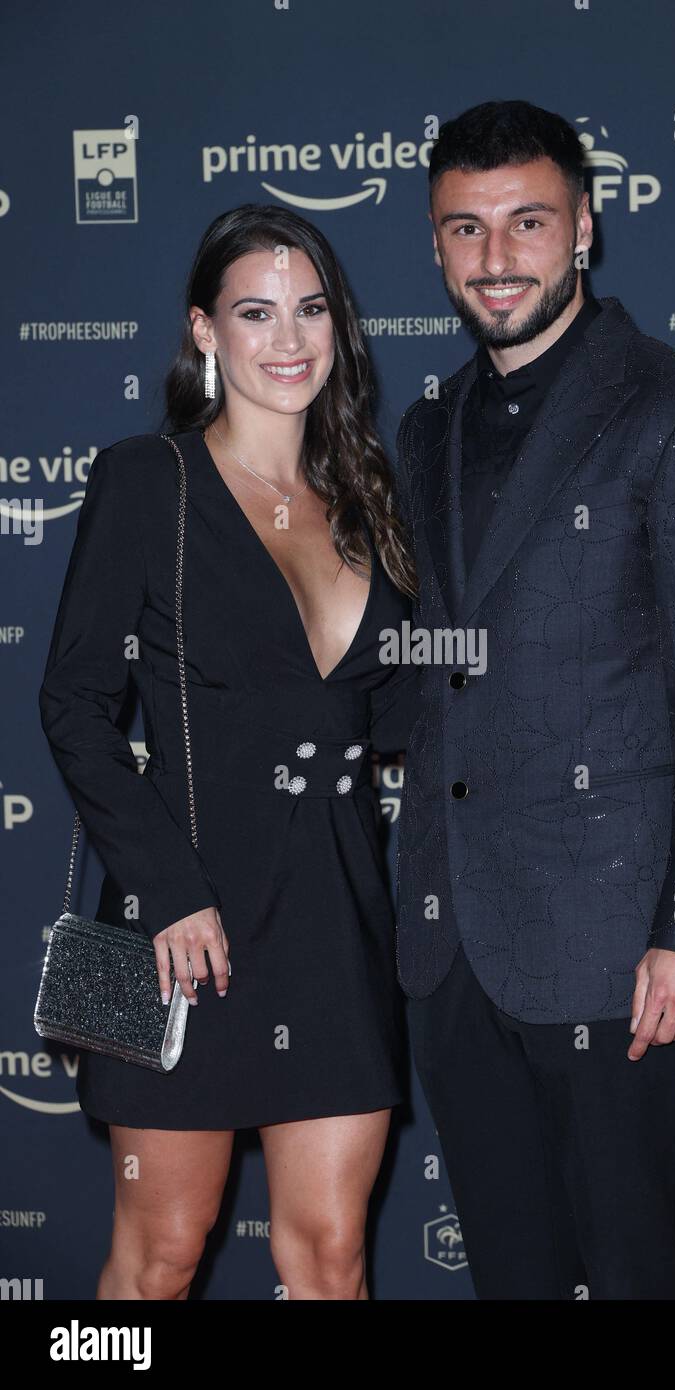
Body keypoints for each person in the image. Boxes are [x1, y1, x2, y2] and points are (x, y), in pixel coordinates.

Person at [393, 101, 675, 1299]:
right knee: (510, 1273)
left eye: (524, 223)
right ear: (435, 244)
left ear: (584, 230)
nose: (494, 258)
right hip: (452, 945)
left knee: (633, 1274)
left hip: (618, 952)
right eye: (465, 228)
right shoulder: (423, 427)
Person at [38, 204, 416, 1301]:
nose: (287, 337)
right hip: (174, 930)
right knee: (158, 1258)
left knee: (331, 1257)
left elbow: (393, 718)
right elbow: (74, 705)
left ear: (338, 328)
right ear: (205, 330)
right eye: (256, 312)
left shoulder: (370, 503)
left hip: (338, 927)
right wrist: (166, 893)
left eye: (310, 309)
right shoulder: (144, 481)